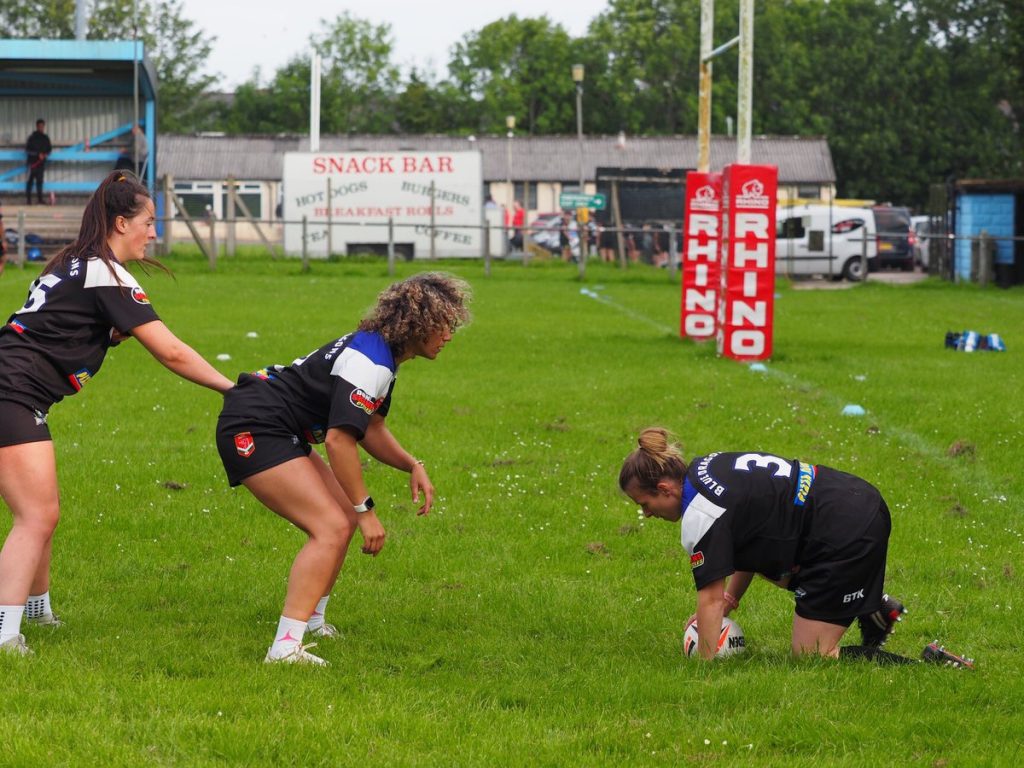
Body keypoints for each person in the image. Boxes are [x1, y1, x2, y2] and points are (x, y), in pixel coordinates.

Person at [0, 171, 235, 656]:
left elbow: (53, 326)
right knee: (36, 514)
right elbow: (170, 352)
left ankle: (37, 608)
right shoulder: (106, 272)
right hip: (11, 392)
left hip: (14, 389)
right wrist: (231, 388)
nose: (155, 232)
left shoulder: (73, 261)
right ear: (121, 222)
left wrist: (102, 337)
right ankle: (4, 633)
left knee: (43, 511)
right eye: (149, 222)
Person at [214, 273, 472, 665]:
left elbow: (371, 427)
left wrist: (410, 464)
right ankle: (285, 647)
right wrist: (366, 510)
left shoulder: (382, 355)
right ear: (419, 324)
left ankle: (313, 621)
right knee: (333, 525)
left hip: (274, 423)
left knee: (340, 522)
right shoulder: (371, 362)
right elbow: (339, 440)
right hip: (255, 425)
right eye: (445, 325)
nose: (449, 335)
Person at [619, 427, 974, 667]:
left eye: (644, 504)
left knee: (811, 657)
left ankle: (931, 664)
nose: (646, 514)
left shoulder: (699, 514)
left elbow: (708, 599)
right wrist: (733, 598)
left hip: (843, 531)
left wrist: (705, 666)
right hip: (852, 498)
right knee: (778, 562)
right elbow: (748, 541)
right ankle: (873, 609)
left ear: (665, 488)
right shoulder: (707, 465)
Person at [25, 119, 53, 206]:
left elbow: (49, 149)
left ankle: (40, 200)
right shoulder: (32, 138)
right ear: (37, 126)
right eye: (40, 126)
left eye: (42, 126)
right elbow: (27, 150)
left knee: (40, 181)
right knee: (30, 181)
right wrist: (38, 154)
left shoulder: (45, 138)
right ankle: (28, 200)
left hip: (41, 164)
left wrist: (44, 154)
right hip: (33, 163)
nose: (41, 128)